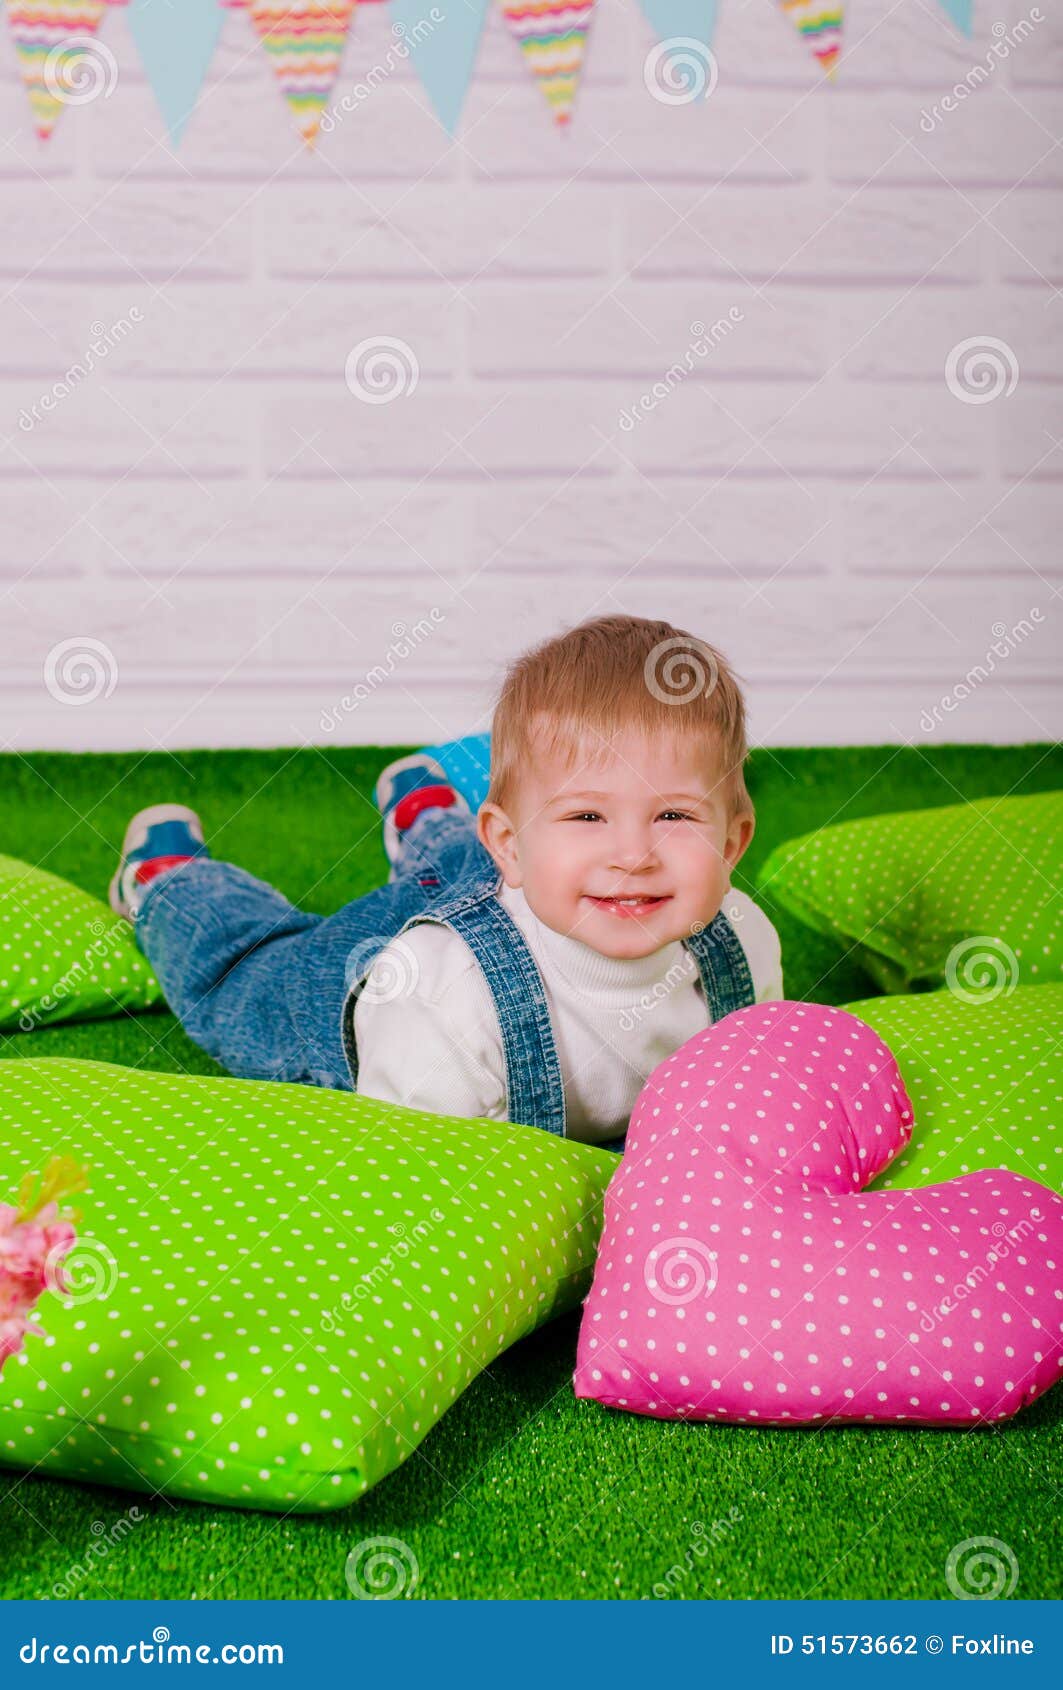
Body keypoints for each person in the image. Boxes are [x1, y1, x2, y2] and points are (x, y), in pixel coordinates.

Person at [108, 615, 783, 1148]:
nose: (633, 855)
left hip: (510, 883)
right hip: (371, 980)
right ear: (509, 845)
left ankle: (427, 816)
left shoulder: (744, 944)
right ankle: (168, 882)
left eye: (672, 815)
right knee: (253, 975)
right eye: (587, 814)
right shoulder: (438, 999)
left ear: (730, 843)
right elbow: (420, 1181)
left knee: (461, 864)